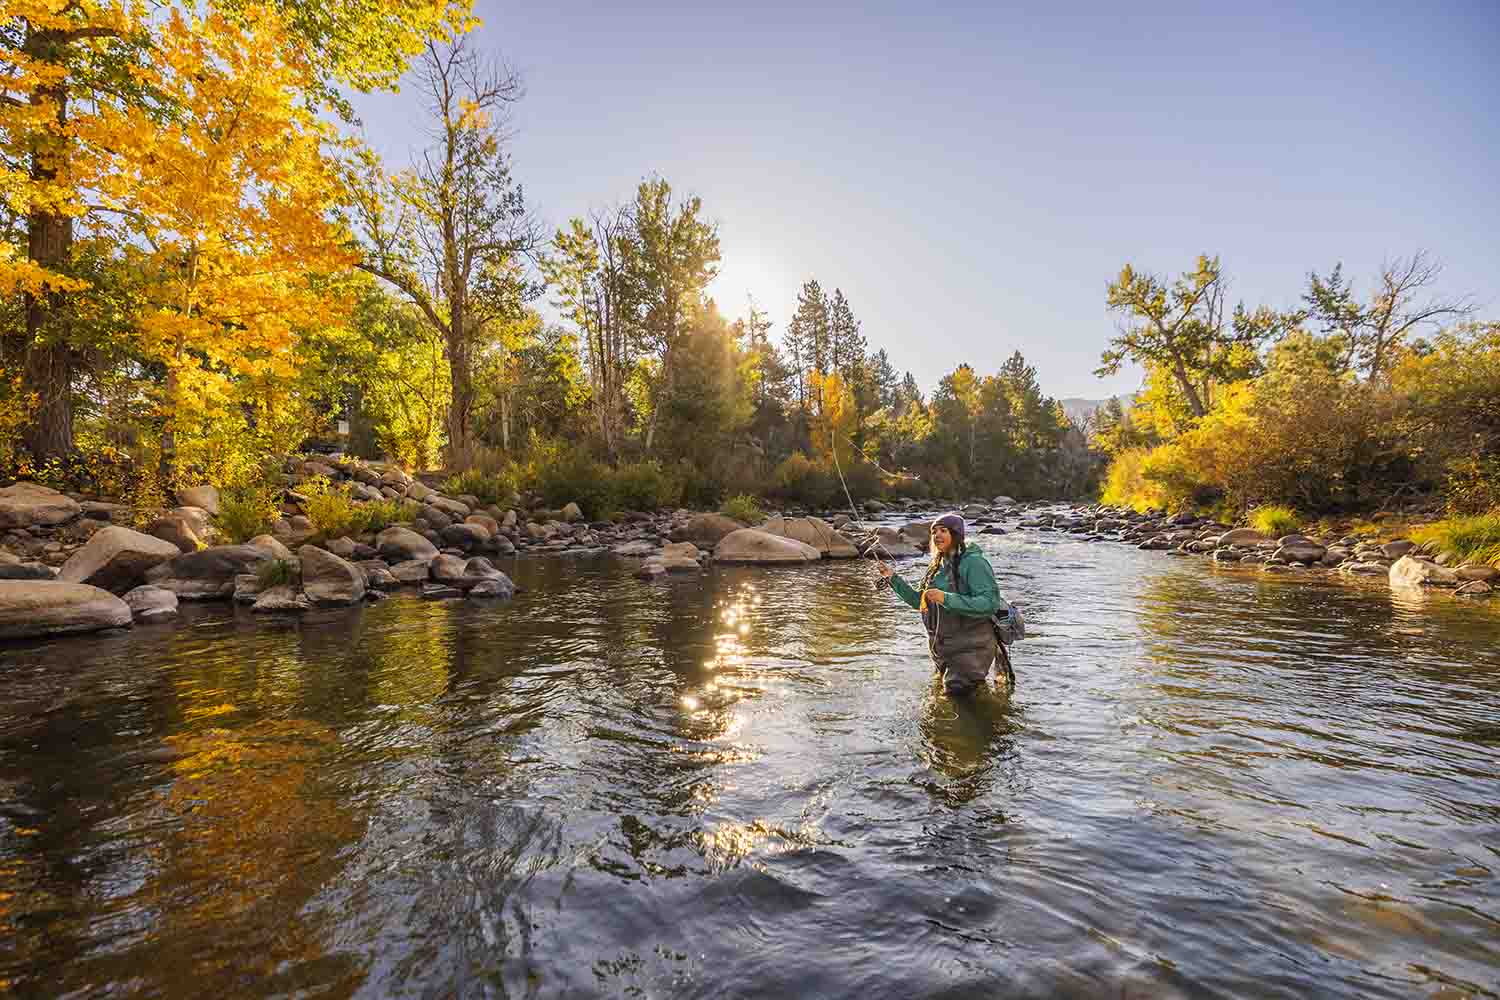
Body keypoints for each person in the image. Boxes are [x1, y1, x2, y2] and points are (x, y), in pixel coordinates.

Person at [877, 513, 1008, 697]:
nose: (937, 535)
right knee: (948, 701)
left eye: (943, 530)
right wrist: (892, 578)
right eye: (934, 531)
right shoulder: (936, 566)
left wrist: (946, 598)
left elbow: (989, 603)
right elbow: (918, 601)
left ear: (956, 535)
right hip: (943, 650)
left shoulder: (974, 562)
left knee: (960, 703)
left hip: (970, 650)